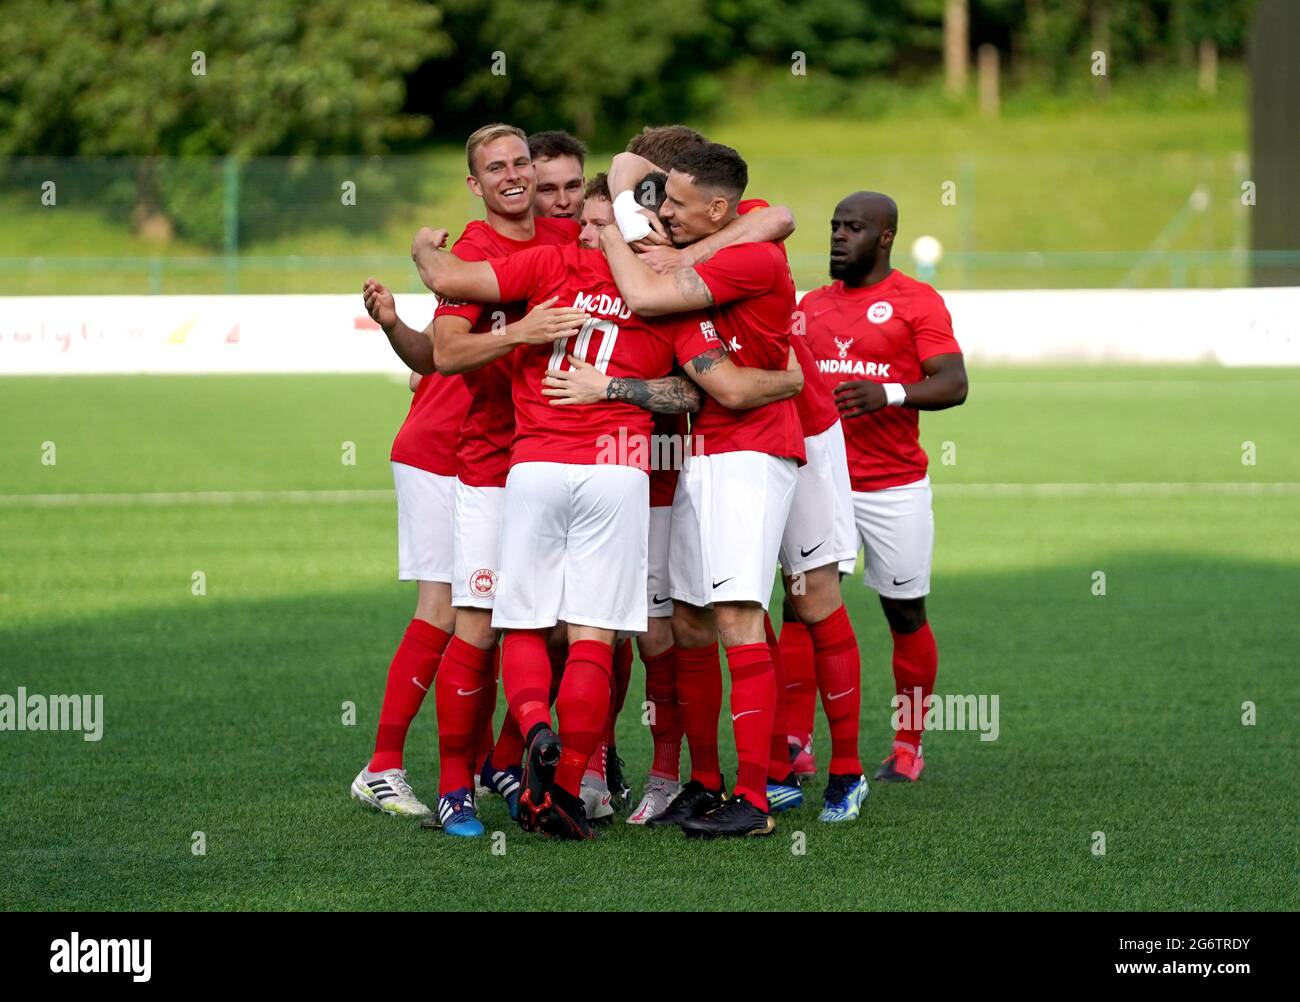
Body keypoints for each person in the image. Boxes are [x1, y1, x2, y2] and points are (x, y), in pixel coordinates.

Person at [802, 191, 968, 784]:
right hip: (820, 484)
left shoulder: (915, 301)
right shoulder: (808, 307)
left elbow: (953, 383)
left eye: (853, 228)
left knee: (903, 612)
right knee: (803, 609)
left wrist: (890, 393)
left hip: (894, 485)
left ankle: (907, 744)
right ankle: (796, 741)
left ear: (886, 237)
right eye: (834, 226)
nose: (838, 237)